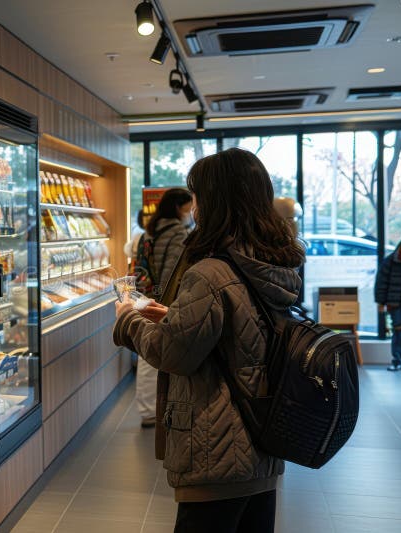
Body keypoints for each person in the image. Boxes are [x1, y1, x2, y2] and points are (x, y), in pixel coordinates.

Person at [114, 148, 305, 533]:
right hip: (263, 439)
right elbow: (243, 330)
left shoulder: (210, 272)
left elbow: (173, 354)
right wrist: (176, 317)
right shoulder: (276, 261)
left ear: (216, 201)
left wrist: (129, 320)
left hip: (215, 445)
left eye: (198, 196)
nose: (194, 207)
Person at [123, 189, 192, 428]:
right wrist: (167, 302)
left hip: (144, 295)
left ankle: (147, 408)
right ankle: (155, 409)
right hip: (162, 299)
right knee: (161, 352)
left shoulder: (148, 232)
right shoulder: (177, 232)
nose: (191, 211)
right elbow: (172, 271)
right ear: (178, 208)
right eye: (188, 206)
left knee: (146, 352)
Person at [375, 231, 401, 371]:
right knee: (398, 332)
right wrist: (380, 303)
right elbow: (381, 282)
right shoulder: (392, 260)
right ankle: (398, 361)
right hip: (396, 301)